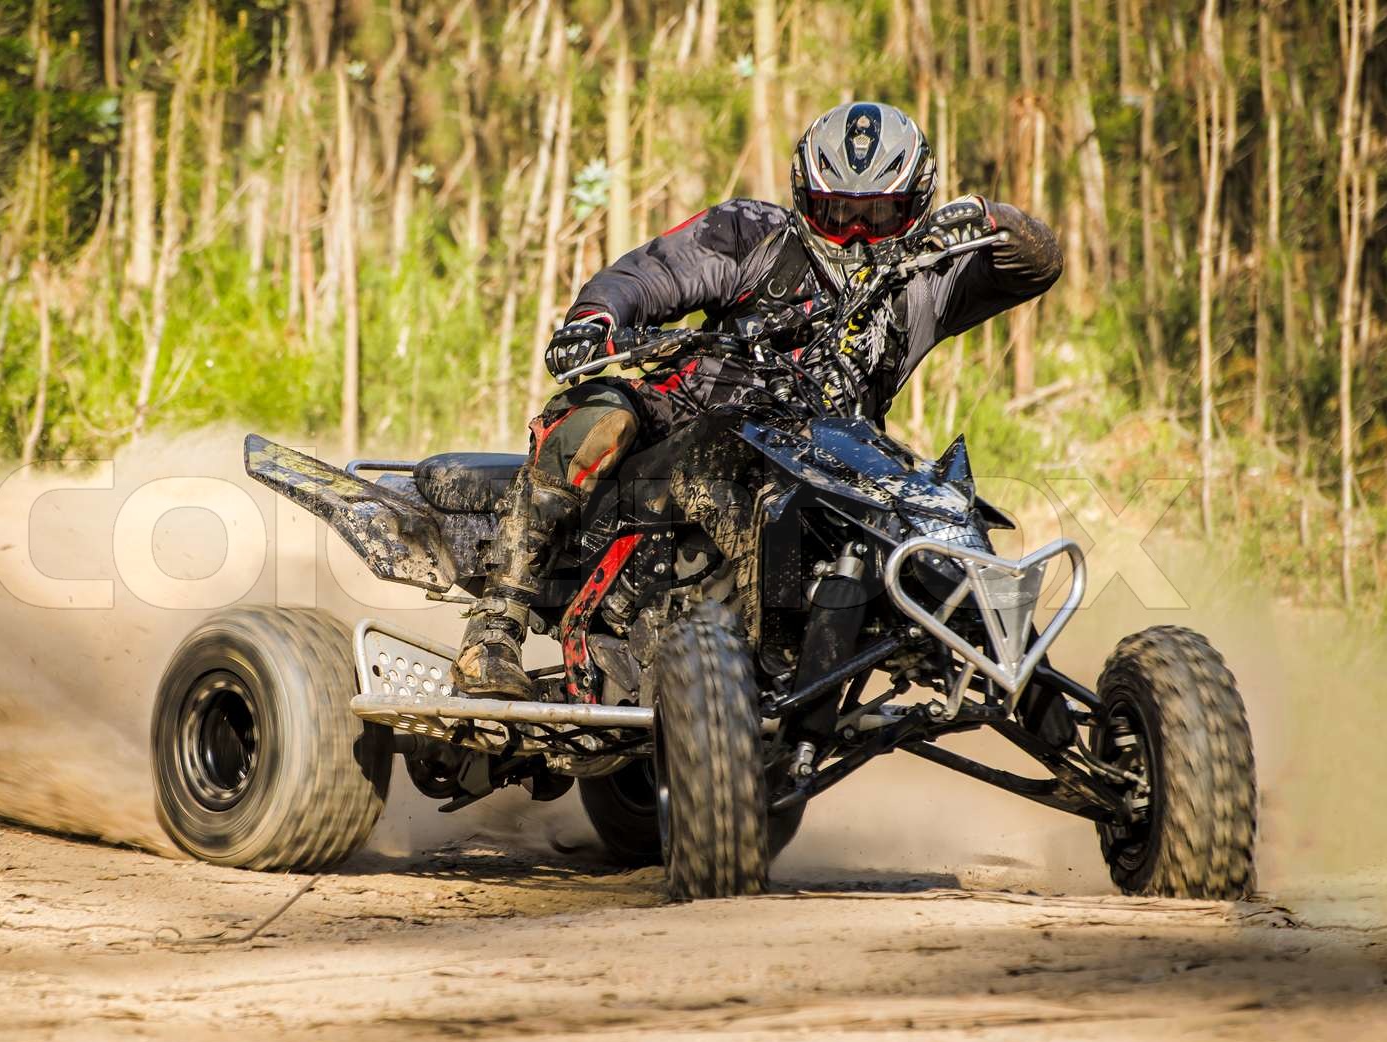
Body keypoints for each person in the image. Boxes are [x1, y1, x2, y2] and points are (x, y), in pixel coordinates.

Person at [451, 100, 1063, 699]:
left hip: (837, 457)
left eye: (877, 213)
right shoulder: (752, 232)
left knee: (934, 504)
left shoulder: (931, 275)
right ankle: (494, 633)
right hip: (690, 420)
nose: (853, 233)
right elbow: (648, 275)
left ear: (916, 206)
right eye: (834, 211)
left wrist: (992, 218)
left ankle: (1039, 693)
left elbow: (1038, 264)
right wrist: (596, 318)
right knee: (599, 416)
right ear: (804, 195)